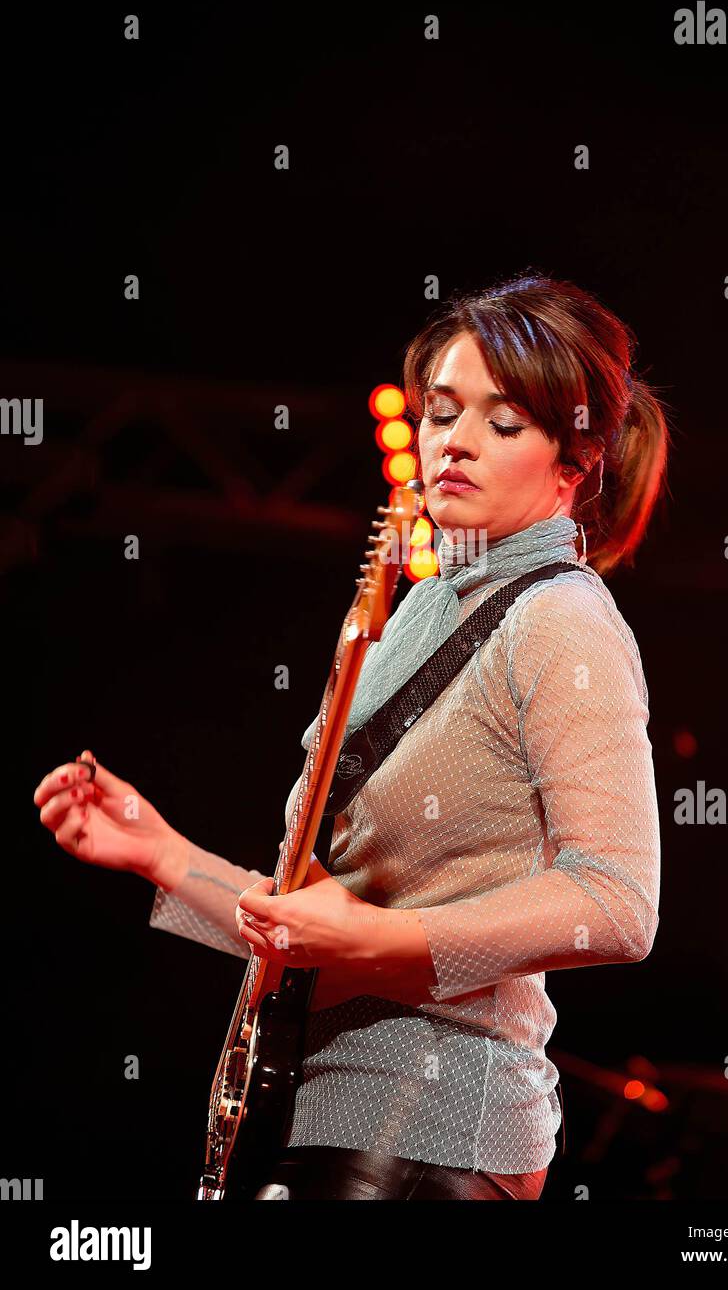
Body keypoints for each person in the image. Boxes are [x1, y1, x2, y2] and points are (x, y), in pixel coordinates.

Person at [34, 272, 669, 1200]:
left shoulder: (561, 618)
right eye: (442, 412)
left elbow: (617, 904)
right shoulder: (423, 608)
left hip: (432, 1124)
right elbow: (319, 928)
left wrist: (376, 937)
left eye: (503, 421)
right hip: (322, 1107)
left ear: (574, 461)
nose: (454, 440)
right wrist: (160, 853)